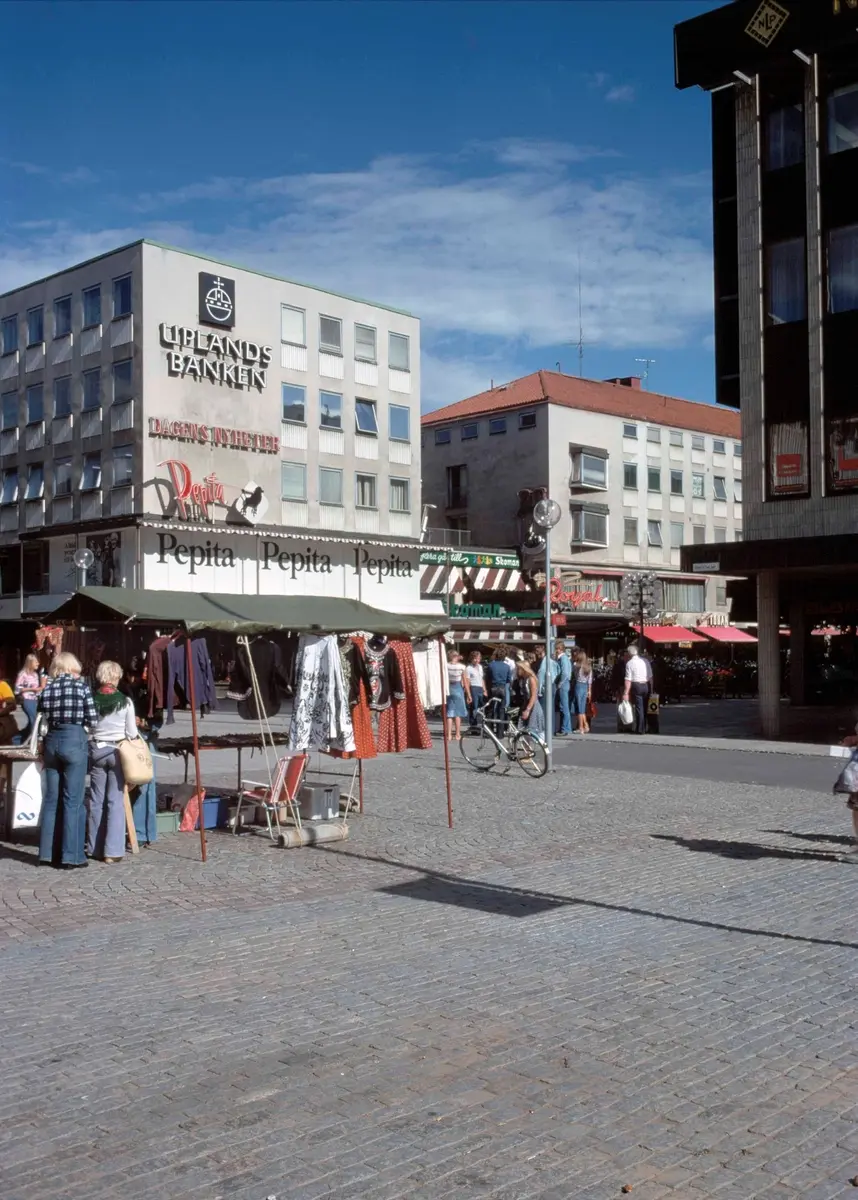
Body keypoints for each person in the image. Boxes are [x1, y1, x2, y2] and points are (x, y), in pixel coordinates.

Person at [37, 652, 98, 869]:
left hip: (52, 742)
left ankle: (46, 853)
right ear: (72, 668)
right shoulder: (81, 688)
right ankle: (70, 856)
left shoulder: (48, 689)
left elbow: (41, 717)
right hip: (74, 740)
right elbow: (93, 718)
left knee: (51, 800)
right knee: (72, 800)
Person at [86, 661, 140, 863]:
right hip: (117, 752)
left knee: (96, 800)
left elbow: (88, 728)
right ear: (116, 677)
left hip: (97, 750)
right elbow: (132, 733)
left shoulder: (91, 700)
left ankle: (94, 848)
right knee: (115, 801)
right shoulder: (125, 702)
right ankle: (112, 851)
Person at [123, 661, 160, 847]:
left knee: (145, 785)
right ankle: (135, 831)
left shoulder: (151, 690)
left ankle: (144, 832)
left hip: (145, 739)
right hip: (129, 741)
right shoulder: (126, 691)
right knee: (134, 786)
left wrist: (142, 722)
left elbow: (157, 720)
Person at [14, 653, 42, 744]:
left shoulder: (35, 675)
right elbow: (17, 688)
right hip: (26, 699)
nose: (38, 663)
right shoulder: (23, 674)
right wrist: (31, 689)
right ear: (30, 663)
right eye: (36, 662)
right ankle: (33, 742)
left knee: (32, 721)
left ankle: (16, 739)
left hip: (34, 700)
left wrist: (39, 691)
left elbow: (37, 689)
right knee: (33, 719)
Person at [623, 644, 650, 735]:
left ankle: (640, 728)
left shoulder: (629, 663)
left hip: (636, 685)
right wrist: (652, 688)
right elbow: (650, 676)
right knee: (645, 707)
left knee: (639, 708)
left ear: (629, 653)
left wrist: (626, 692)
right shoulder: (645, 661)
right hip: (645, 685)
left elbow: (628, 679)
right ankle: (645, 726)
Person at [513, 660, 544, 739]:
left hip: (533, 706)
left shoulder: (531, 679)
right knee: (525, 729)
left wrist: (527, 709)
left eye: (518, 668)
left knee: (533, 729)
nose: (517, 670)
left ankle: (534, 748)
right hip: (527, 704)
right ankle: (527, 749)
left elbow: (533, 696)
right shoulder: (524, 679)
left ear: (523, 669)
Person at [445, 650, 471, 742]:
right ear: (456, 656)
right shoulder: (462, 667)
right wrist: (468, 694)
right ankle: (457, 734)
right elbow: (465, 682)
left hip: (448, 688)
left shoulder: (445, 666)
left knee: (449, 713)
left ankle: (448, 735)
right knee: (458, 713)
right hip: (458, 688)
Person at [554, 642, 573, 736]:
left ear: (560, 649)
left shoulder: (563, 658)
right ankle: (565, 728)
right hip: (565, 683)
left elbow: (565, 673)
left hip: (564, 684)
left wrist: (560, 684)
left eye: (556, 649)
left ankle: (565, 729)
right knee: (564, 706)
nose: (556, 651)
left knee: (563, 707)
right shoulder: (563, 658)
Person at [573, 650, 594, 735]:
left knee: (579, 708)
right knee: (582, 707)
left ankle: (581, 727)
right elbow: (590, 681)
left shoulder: (576, 666)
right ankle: (585, 725)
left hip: (578, 685)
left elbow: (574, 675)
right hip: (585, 686)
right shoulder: (588, 667)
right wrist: (589, 691)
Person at [465, 650, 485, 727]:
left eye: (478, 658)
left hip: (480, 688)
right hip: (473, 688)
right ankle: (473, 726)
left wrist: (484, 689)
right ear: (471, 659)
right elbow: (467, 681)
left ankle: (482, 725)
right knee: (474, 707)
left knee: (482, 707)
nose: (477, 660)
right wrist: (468, 694)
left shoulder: (480, 667)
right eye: (475, 658)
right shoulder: (468, 668)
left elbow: (482, 679)